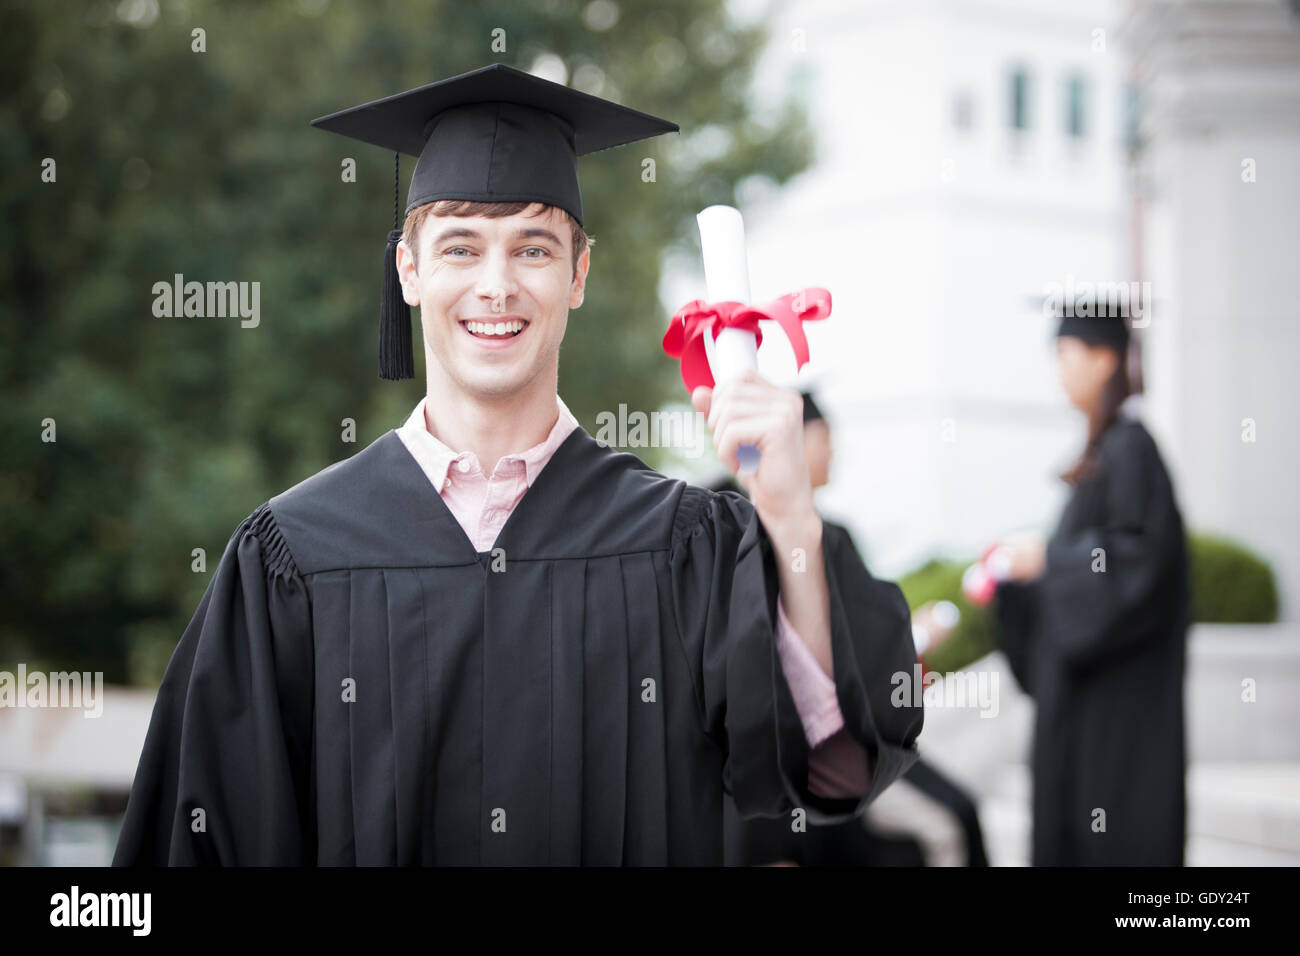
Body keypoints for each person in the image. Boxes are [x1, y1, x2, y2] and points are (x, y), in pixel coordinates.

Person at [111, 64, 922, 866]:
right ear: (409, 271)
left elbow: (838, 767)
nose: (495, 287)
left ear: (577, 275)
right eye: (461, 248)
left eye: (532, 250)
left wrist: (786, 514)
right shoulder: (292, 556)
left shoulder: (682, 545)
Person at [719, 392, 987, 866]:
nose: (835, 450)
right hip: (791, 764)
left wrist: (907, 643)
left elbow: (861, 641)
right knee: (950, 820)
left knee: (956, 813)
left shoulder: (831, 536)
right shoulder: (744, 537)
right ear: (791, 441)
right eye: (825, 437)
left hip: (853, 746)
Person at [989, 299, 1189, 866]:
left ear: (1104, 359)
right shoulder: (1102, 454)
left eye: (1064, 353)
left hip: (1117, 718)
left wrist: (1049, 560)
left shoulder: (1131, 448)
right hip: (1082, 711)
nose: (1058, 369)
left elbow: (1139, 561)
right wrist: (1017, 583)